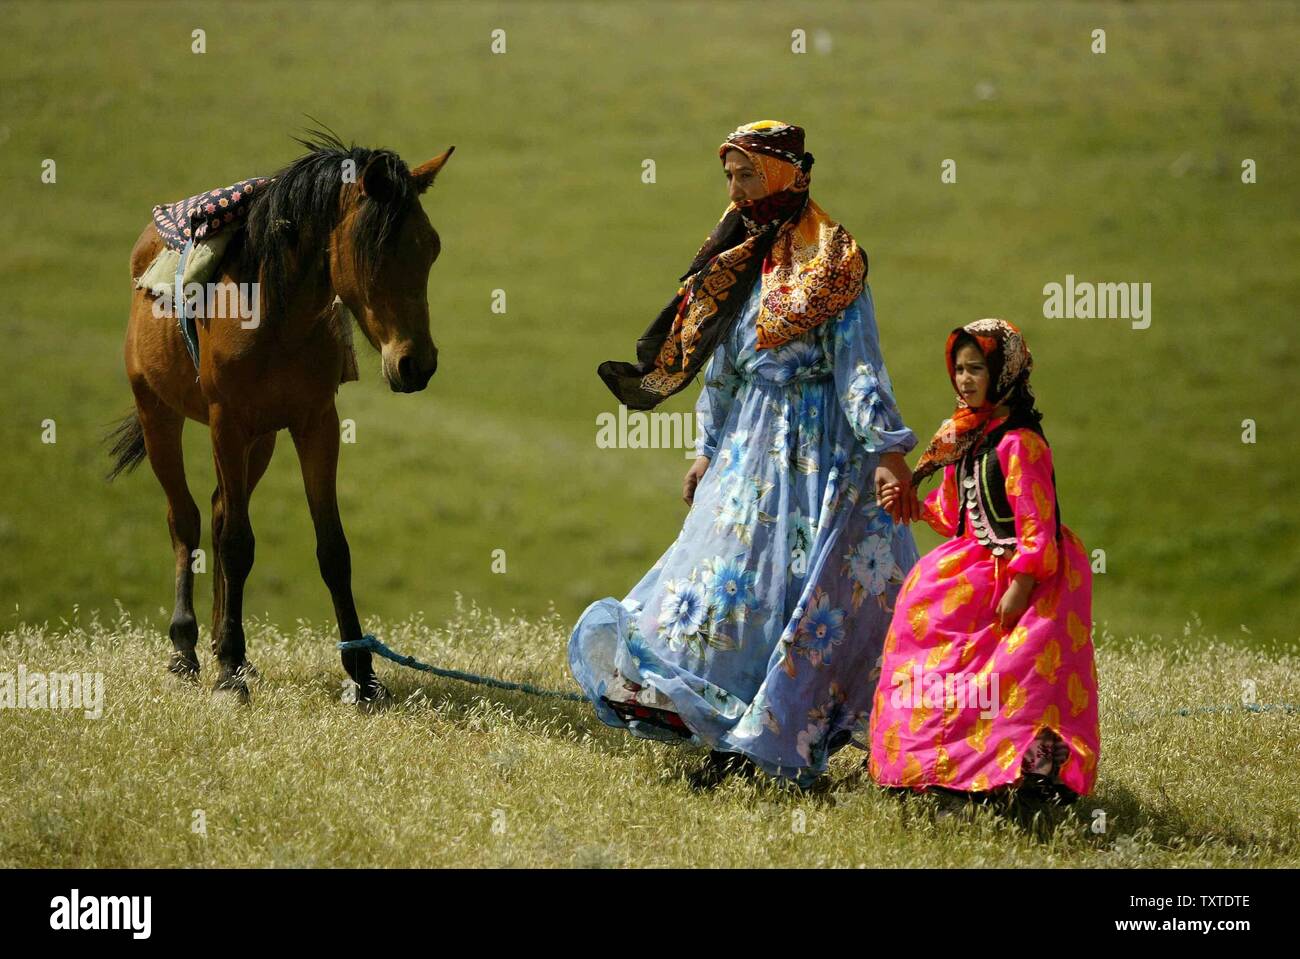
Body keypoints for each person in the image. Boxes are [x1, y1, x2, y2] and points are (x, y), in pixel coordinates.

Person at [570, 120, 920, 788]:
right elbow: (722, 366)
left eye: (748, 174)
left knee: (803, 594)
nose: (736, 189)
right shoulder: (737, 253)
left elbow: (859, 364)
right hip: (746, 447)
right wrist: (705, 449)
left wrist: (885, 447)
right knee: (730, 588)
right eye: (730, 176)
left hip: (820, 449)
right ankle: (733, 736)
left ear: (785, 174)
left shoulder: (834, 259)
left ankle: (769, 747)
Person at [869, 319, 1100, 803]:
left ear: (1004, 371)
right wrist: (908, 504)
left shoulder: (1021, 443)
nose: (965, 379)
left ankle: (1021, 775)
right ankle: (933, 764)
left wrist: (1021, 584)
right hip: (974, 565)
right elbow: (953, 514)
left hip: (1028, 577)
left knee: (1022, 684)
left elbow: (1036, 525)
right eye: (959, 369)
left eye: (977, 368)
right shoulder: (967, 438)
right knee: (926, 640)